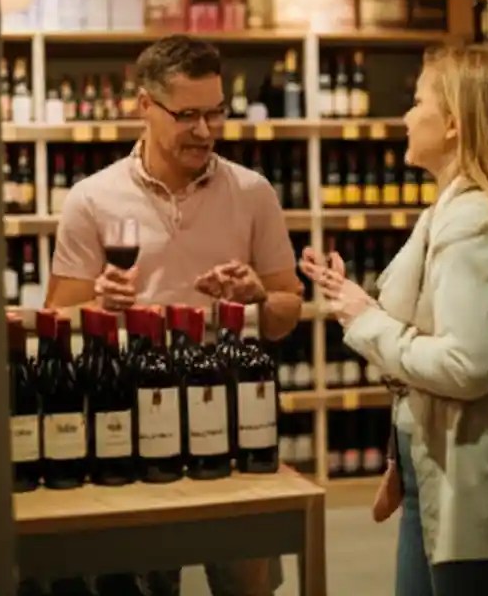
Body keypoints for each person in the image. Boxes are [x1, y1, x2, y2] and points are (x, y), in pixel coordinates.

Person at [301, 44, 488, 596]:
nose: (405, 115)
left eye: (417, 101)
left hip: (471, 481)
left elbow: (465, 365)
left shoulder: (472, 220)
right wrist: (351, 297)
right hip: (438, 465)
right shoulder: (450, 208)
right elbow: (432, 327)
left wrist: (363, 320)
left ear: (453, 125)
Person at [47, 35, 303, 596]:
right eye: (187, 114)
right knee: (142, 581)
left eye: (215, 112)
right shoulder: (92, 199)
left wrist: (260, 295)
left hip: (234, 407)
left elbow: (287, 313)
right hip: (134, 412)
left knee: (246, 584)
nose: (206, 130)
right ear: (144, 105)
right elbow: (57, 322)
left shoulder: (253, 193)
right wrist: (99, 306)